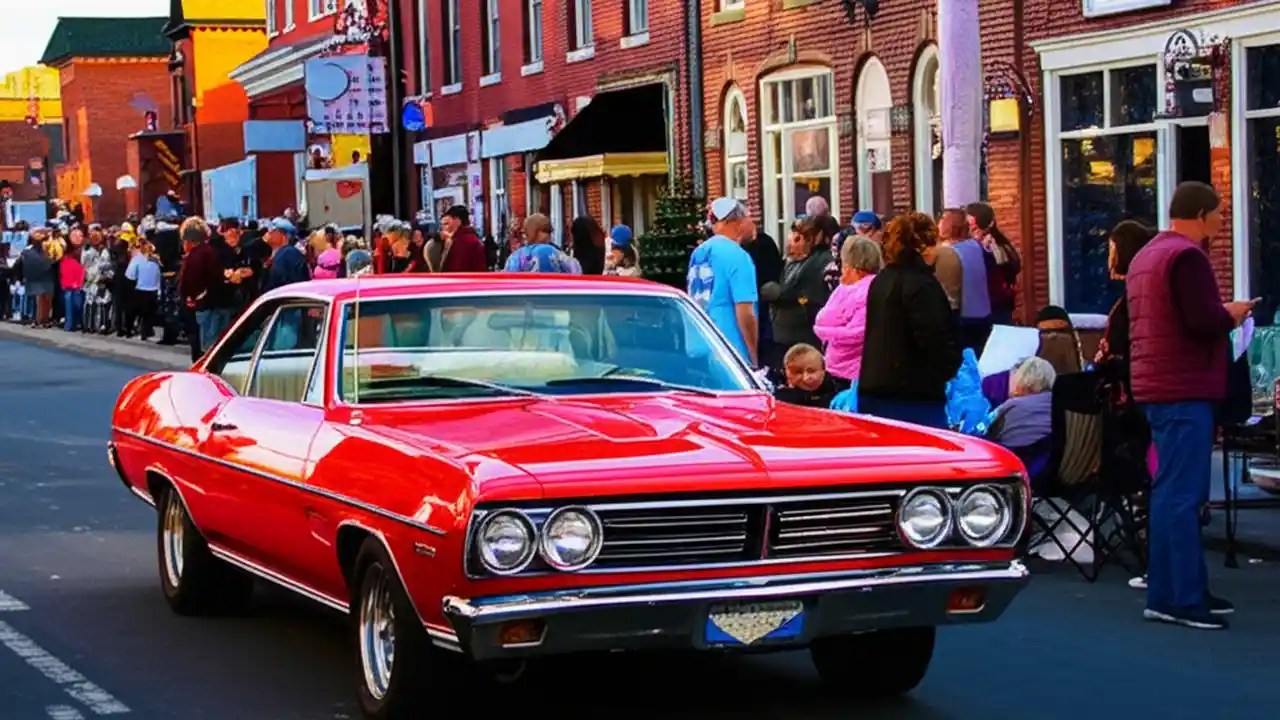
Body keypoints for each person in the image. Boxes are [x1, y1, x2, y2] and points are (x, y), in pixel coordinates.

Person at [1127, 181, 1253, 630]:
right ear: (1200, 214)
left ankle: (1177, 588)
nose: (1221, 222)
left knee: (1169, 491)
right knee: (1183, 495)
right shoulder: (1187, 257)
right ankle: (1179, 596)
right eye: (1218, 214)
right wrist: (1231, 313)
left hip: (1157, 383)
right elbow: (1201, 320)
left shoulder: (1146, 256)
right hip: (1183, 386)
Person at [857, 212, 961, 428]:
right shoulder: (922, 285)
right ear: (923, 246)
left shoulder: (882, 280)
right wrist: (949, 366)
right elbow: (935, 337)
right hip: (915, 395)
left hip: (874, 389)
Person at [687, 197, 759, 367]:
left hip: (699, 342)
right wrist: (753, 354)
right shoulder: (738, 256)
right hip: (729, 348)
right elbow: (745, 310)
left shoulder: (699, 252)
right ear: (737, 222)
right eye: (749, 217)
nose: (752, 223)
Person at [813, 236, 882, 387]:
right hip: (838, 367)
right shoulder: (844, 288)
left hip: (855, 373)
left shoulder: (869, 290)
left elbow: (858, 332)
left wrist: (827, 331)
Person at [505, 214, 582, 274]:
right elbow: (576, 271)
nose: (549, 235)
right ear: (535, 231)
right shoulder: (552, 251)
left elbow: (507, 279)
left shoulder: (515, 256)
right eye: (546, 230)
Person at [773, 343, 838, 408]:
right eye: (798, 372)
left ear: (823, 370)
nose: (806, 378)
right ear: (786, 373)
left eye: (812, 371)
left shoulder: (839, 397)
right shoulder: (778, 400)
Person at [261, 218, 310, 292]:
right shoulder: (278, 253)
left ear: (283, 236)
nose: (268, 233)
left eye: (272, 230)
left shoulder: (290, 254)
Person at [437, 205, 488, 272]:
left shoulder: (462, 242)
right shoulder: (471, 239)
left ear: (457, 220)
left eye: (447, 223)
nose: (444, 228)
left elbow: (457, 269)